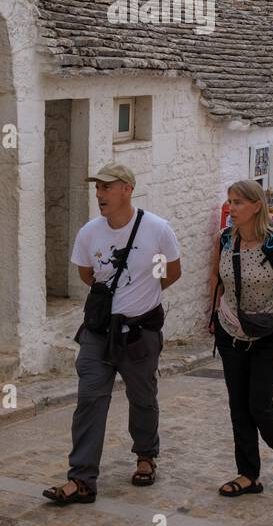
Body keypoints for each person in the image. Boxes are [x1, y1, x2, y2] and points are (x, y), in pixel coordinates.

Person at [43, 163, 181, 505]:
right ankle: (82, 478)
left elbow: (172, 272)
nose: (99, 194)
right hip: (98, 332)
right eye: (98, 188)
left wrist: (142, 295)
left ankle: (146, 455)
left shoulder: (157, 229)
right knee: (90, 400)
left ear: (127, 189)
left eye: (107, 187)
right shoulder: (90, 233)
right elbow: (87, 275)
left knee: (142, 397)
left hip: (139, 332)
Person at [209, 179, 273, 496]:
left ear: (256, 206)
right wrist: (216, 314)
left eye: (238, 202)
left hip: (268, 335)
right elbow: (216, 277)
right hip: (231, 334)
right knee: (238, 405)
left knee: (259, 402)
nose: (232, 208)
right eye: (230, 201)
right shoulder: (225, 240)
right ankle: (248, 474)